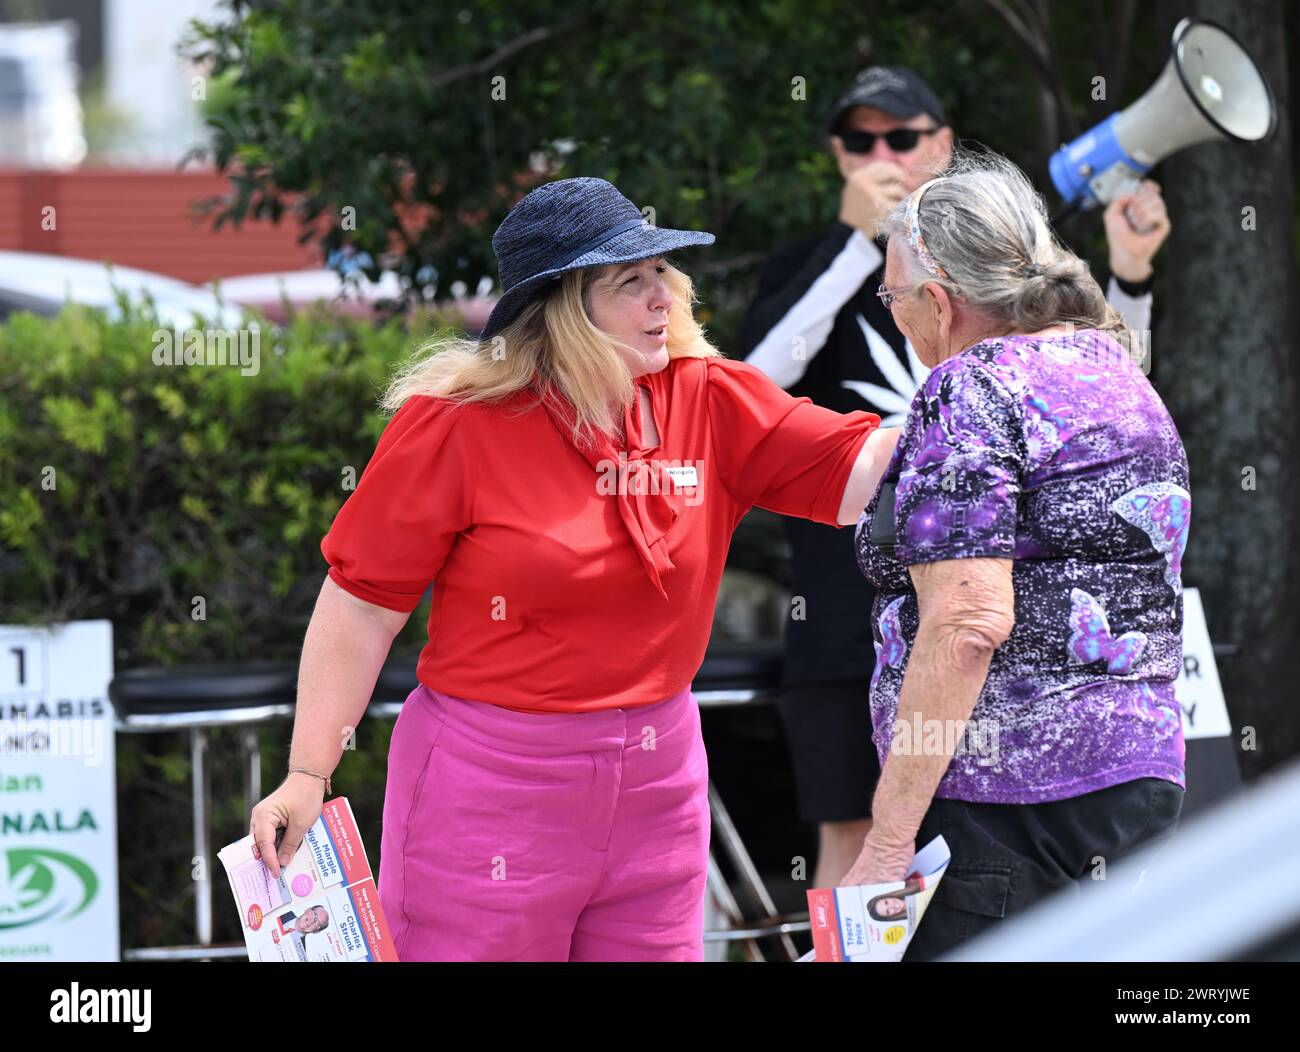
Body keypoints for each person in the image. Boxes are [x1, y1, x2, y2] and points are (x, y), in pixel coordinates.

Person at [246, 176, 901, 962]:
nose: (663, 298)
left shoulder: (710, 397)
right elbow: (361, 604)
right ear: (563, 310)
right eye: (632, 282)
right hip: (491, 786)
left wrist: (986, 392)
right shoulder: (458, 426)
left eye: (663, 274)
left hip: (661, 779)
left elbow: (861, 470)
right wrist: (307, 774)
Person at [740, 65, 1172, 890]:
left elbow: (971, 619)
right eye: (859, 140)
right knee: (854, 844)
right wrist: (852, 248)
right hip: (860, 616)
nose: (880, 155)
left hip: (999, 728)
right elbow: (753, 386)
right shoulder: (819, 268)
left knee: (902, 877)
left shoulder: (986, 352)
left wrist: (1133, 274)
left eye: (901, 138)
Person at [844, 149, 1188, 962]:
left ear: (940, 300)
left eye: (892, 296)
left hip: (1003, 802)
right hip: (1136, 781)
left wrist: (888, 843)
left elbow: (965, 623)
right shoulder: (1114, 366)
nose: (895, 314)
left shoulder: (970, 387)